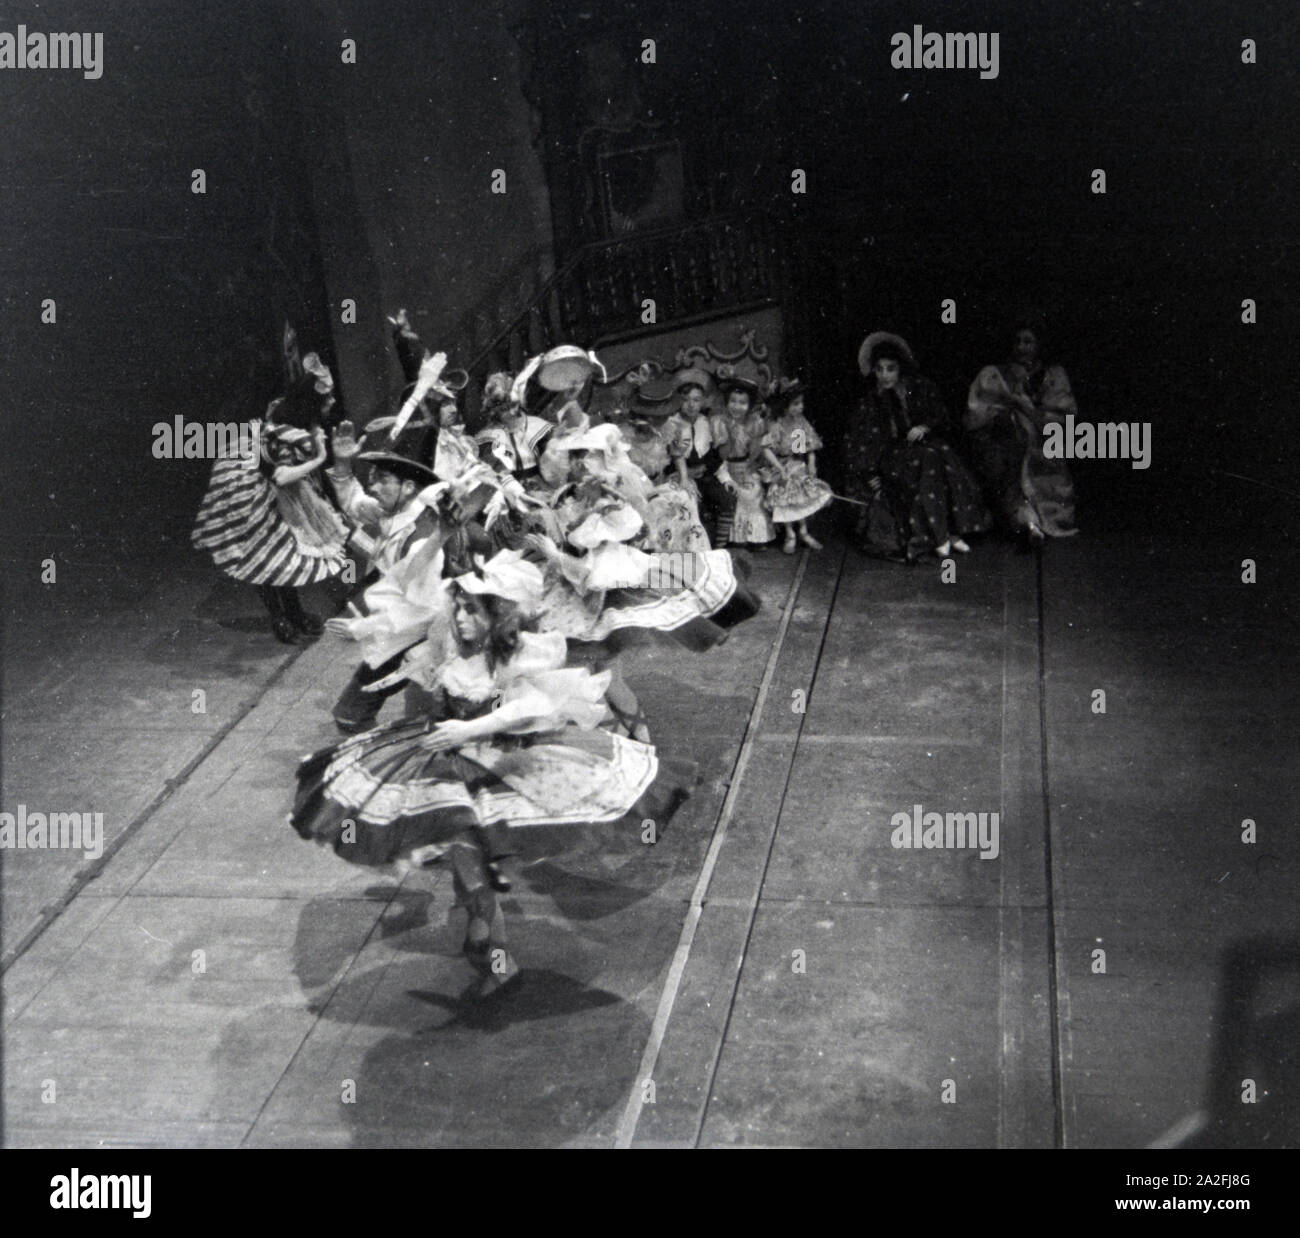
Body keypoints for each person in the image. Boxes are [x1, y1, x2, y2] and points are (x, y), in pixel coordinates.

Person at [290, 549, 692, 992]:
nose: (460, 617)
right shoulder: (448, 635)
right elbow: (411, 623)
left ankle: (491, 950)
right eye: (459, 607)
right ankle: (488, 945)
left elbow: (531, 706)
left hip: (492, 758)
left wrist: (470, 728)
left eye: (470, 611)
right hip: (443, 753)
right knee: (464, 857)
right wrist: (361, 628)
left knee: (470, 856)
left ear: (495, 615)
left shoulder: (515, 653)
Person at [191, 353, 350, 644]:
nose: (332, 404)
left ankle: (294, 610)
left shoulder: (302, 423)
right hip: (257, 494)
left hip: (285, 492)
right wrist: (321, 458)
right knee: (262, 553)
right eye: (326, 400)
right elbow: (280, 475)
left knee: (286, 553)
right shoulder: (283, 430)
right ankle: (278, 615)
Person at [843, 331, 990, 562]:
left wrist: (923, 426)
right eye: (879, 369)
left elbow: (940, 416)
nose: (884, 375)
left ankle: (951, 532)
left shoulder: (917, 388)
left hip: (919, 448)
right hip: (890, 459)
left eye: (890, 369)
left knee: (940, 452)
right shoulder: (870, 401)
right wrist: (870, 473)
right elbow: (859, 443)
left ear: (900, 368)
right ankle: (941, 535)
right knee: (929, 457)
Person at [965, 322, 1079, 545]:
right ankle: (1026, 524)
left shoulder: (1053, 375)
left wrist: (1031, 412)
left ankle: (1036, 522)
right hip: (1007, 442)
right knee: (1009, 475)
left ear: (1039, 345)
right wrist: (1011, 410)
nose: (1021, 347)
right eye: (1017, 341)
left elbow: (1062, 411)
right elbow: (978, 410)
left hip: (1041, 441)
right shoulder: (995, 374)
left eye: (1028, 342)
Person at [760, 378, 833, 553]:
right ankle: (790, 533)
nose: (800, 408)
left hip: (796, 463)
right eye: (795, 404)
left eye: (801, 404)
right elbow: (767, 450)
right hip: (780, 466)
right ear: (784, 405)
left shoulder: (800, 422)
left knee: (802, 496)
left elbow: (804, 447)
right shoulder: (775, 424)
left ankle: (803, 530)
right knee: (785, 500)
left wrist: (811, 463)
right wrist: (779, 467)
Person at [709, 373, 775, 548]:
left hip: (750, 466)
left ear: (750, 405)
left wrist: (753, 469)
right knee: (739, 494)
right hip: (727, 466)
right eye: (733, 401)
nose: (737, 407)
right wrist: (730, 433)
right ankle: (737, 537)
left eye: (742, 403)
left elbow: (758, 451)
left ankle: (762, 537)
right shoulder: (720, 422)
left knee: (754, 492)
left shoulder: (756, 424)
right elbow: (722, 454)